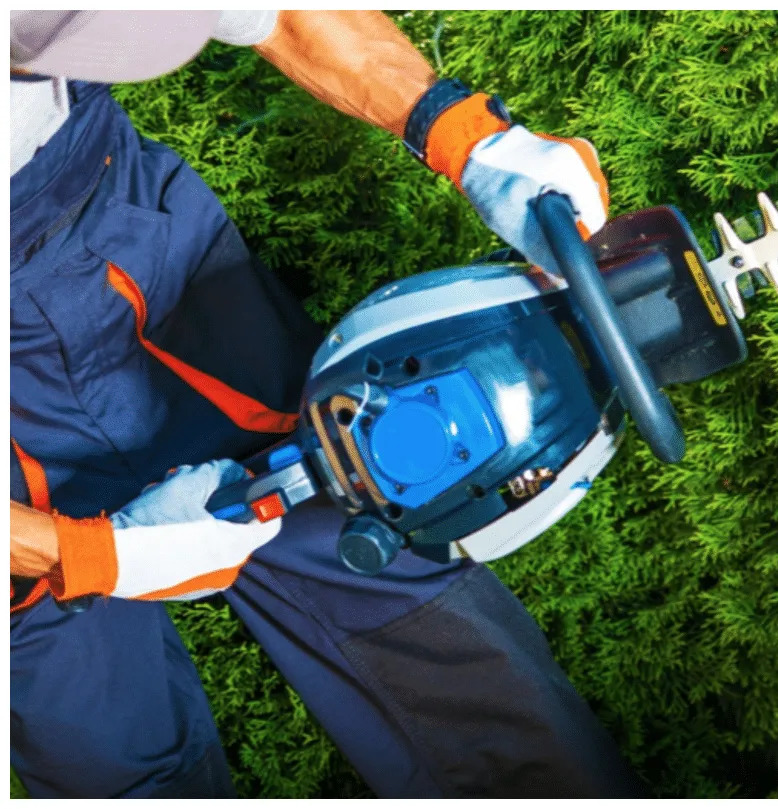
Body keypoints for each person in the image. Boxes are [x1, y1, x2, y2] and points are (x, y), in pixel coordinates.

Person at [9, 10, 643, 798]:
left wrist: (465, 134)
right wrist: (84, 554)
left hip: (123, 223)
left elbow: (277, 11)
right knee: (101, 745)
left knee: (375, 532)